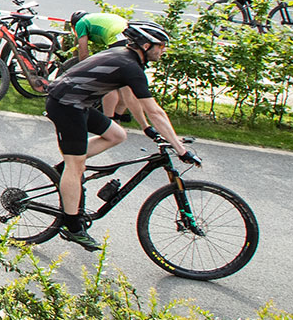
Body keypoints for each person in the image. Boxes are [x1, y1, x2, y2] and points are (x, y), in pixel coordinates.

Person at [43, 20, 198, 249]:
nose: (163, 50)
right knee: (75, 168)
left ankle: (69, 168)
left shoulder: (127, 60)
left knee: (117, 135)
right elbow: (155, 111)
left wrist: (146, 128)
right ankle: (72, 226)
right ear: (145, 46)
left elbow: (130, 99)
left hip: (79, 103)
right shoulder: (129, 66)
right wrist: (180, 149)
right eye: (161, 45)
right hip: (66, 105)